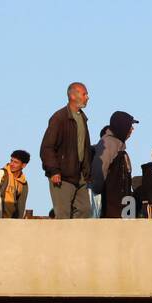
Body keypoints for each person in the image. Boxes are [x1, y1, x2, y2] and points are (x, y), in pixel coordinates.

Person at [41, 83, 92, 220]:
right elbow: (47, 147)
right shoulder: (59, 118)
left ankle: (76, 241)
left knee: (85, 209)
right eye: (84, 94)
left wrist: (88, 171)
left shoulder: (82, 118)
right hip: (62, 175)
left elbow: (85, 147)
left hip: (80, 175)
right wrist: (54, 171)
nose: (87, 97)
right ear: (72, 95)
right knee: (63, 215)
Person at [92, 112, 138, 218]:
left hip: (120, 203)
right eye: (130, 126)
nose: (132, 129)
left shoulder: (117, 144)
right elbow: (100, 169)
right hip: (111, 203)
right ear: (122, 126)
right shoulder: (109, 143)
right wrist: (97, 189)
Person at [0, 150, 30, 219]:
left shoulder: (23, 183)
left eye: (16, 162)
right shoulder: (1, 174)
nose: (12, 164)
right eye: (11, 161)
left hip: (11, 222)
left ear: (23, 165)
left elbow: (21, 206)